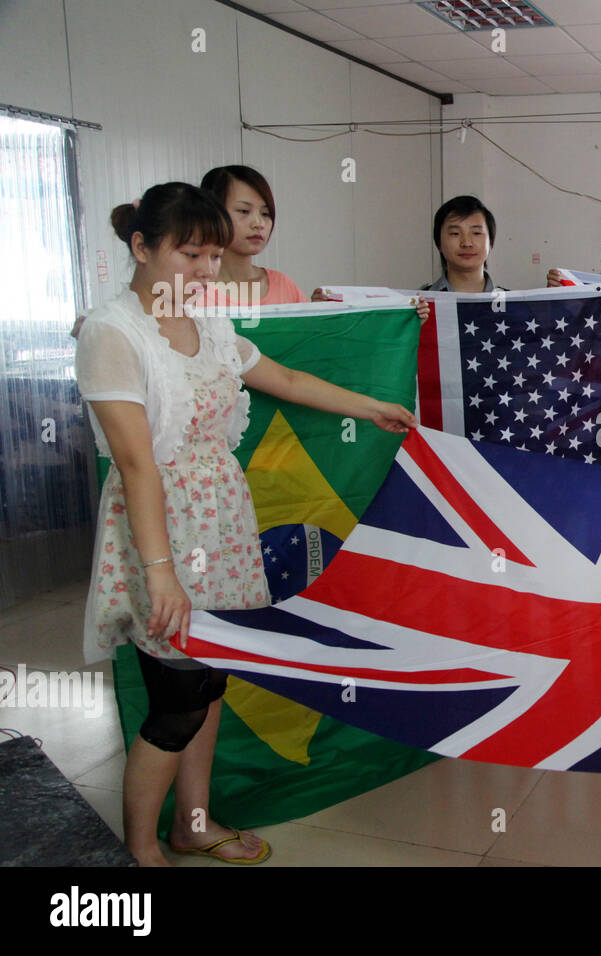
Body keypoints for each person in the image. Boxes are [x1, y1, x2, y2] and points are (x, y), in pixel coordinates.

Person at [75, 183, 414, 866]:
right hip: (159, 531)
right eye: (188, 253)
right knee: (174, 702)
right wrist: (161, 572)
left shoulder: (212, 325)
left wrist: (371, 405)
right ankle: (142, 853)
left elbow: (285, 379)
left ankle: (193, 823)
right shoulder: (110, 332)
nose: (203, 270)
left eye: (210, 254)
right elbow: (138, 467)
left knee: (210, 679)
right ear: (140, 248)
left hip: (221, 525)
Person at [199, 165, 306, 305]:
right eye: (244, 211)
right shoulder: (190, 291)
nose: (258, 223)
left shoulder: (284, 286)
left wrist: (324, 311)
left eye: (265, 213)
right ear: (212, 214)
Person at [423, 195, 504, 293]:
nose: (466, 243)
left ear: (491, 242)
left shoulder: (513, 304)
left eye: (476, 233)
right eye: (455, 233)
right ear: (439, 243)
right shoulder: (419, 303)